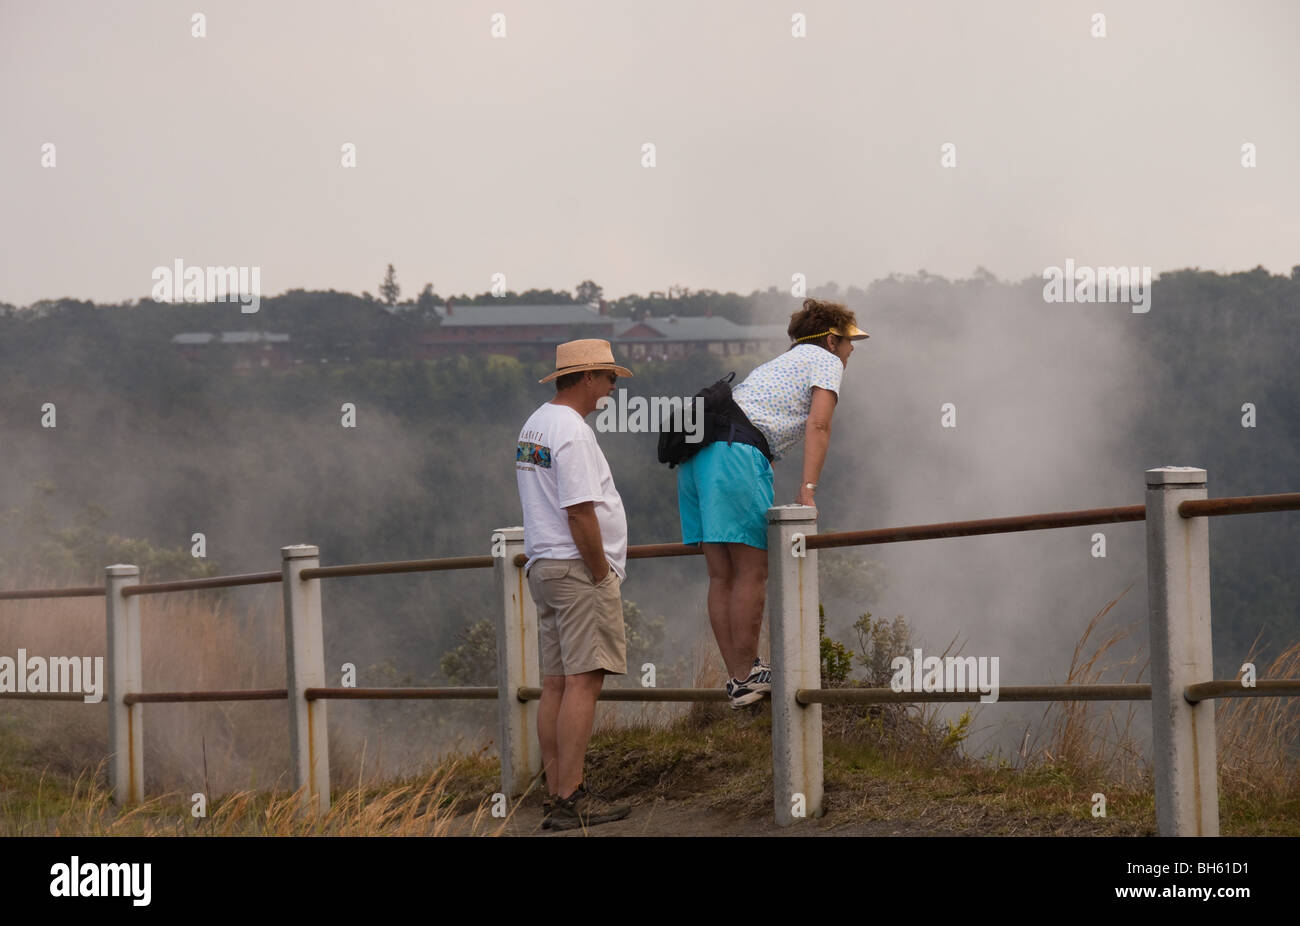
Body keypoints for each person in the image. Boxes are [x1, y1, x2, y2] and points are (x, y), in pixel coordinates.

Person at [676, 298, 868, 708]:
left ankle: (738, 677)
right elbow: (819, 424)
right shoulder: (825, 361)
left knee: (720, 574)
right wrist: (808, 490)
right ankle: (747, 675)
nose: (852, 350)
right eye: (850, 342)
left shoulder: (781, 364)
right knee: (752, 571)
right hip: (736, 454)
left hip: (697, 457)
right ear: (832, 340)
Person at [516, 338, 634, 831]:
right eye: (608, 378)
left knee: (556, 683)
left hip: (544, 566)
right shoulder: (574, 432)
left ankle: (555, 788)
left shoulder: (535, 424)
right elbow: (580, 510)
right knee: (585, 680)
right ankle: (571, 797)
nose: (610, 388)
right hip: (577, 569)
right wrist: (601, 571)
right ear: (587, 378)